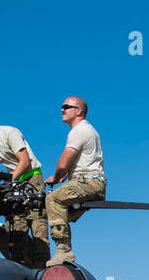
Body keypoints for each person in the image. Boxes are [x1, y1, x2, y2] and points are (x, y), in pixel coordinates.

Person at [0, 112, 50, 268]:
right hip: (15, 183)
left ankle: (44, 270)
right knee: (17, 231)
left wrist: (11, 180)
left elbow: (24, 161)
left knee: (38, 227)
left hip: (32, 179)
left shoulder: (9, 133)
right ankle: (25, 268)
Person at [43, 97, 105, 266]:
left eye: (66, 107)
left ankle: (64, 250)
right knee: (53, 213)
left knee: (53, 199)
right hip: (90, 182)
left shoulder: (78, 131)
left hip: (88, 182)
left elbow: (64, 161)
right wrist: (64, 175)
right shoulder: (88, 130)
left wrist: (56, 177)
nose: (62, 110)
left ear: (79, 111)